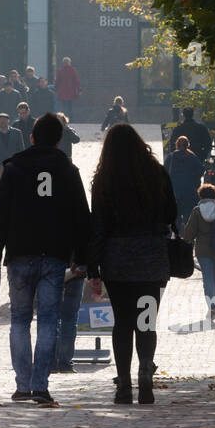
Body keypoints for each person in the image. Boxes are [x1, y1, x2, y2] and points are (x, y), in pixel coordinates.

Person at [0, 113, 91, 406]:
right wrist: (82, 259)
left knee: (19, 319)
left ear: (31, 138)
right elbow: (82, 217)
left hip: (19, 254)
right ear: (59, 140)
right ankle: (41, 386)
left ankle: (22, 384)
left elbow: (0, 218)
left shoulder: (14, 168)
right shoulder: (68, 170)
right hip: (54, 256)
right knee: (47, 320)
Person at [87, 122, 177, 406]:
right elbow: (172, 213)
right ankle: (145, 376)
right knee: (146, 322)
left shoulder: (104, 180)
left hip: (118, 261)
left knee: (122, 324)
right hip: (151, 259)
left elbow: (98, 227)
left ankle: (124, 385)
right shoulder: (157, 174)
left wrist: (93, 268)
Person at [182, 183, 215, 325]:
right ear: (214, 195)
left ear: (200, 195)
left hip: (203, 249)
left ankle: (210, 303)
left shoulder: (197, 211)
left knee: (207, 278)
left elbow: (189, 232)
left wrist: (187, 241)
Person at [164, 136, 205, 230]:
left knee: (175, 216)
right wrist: (194, 180)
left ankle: (177, 236)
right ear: (188, 145)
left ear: (176, 145)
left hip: (174, 193)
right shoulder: (192, 157)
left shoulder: (171, 157)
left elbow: (164, 172)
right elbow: (201, 170)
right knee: (189, 216)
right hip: (189, 192)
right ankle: (188, 237)